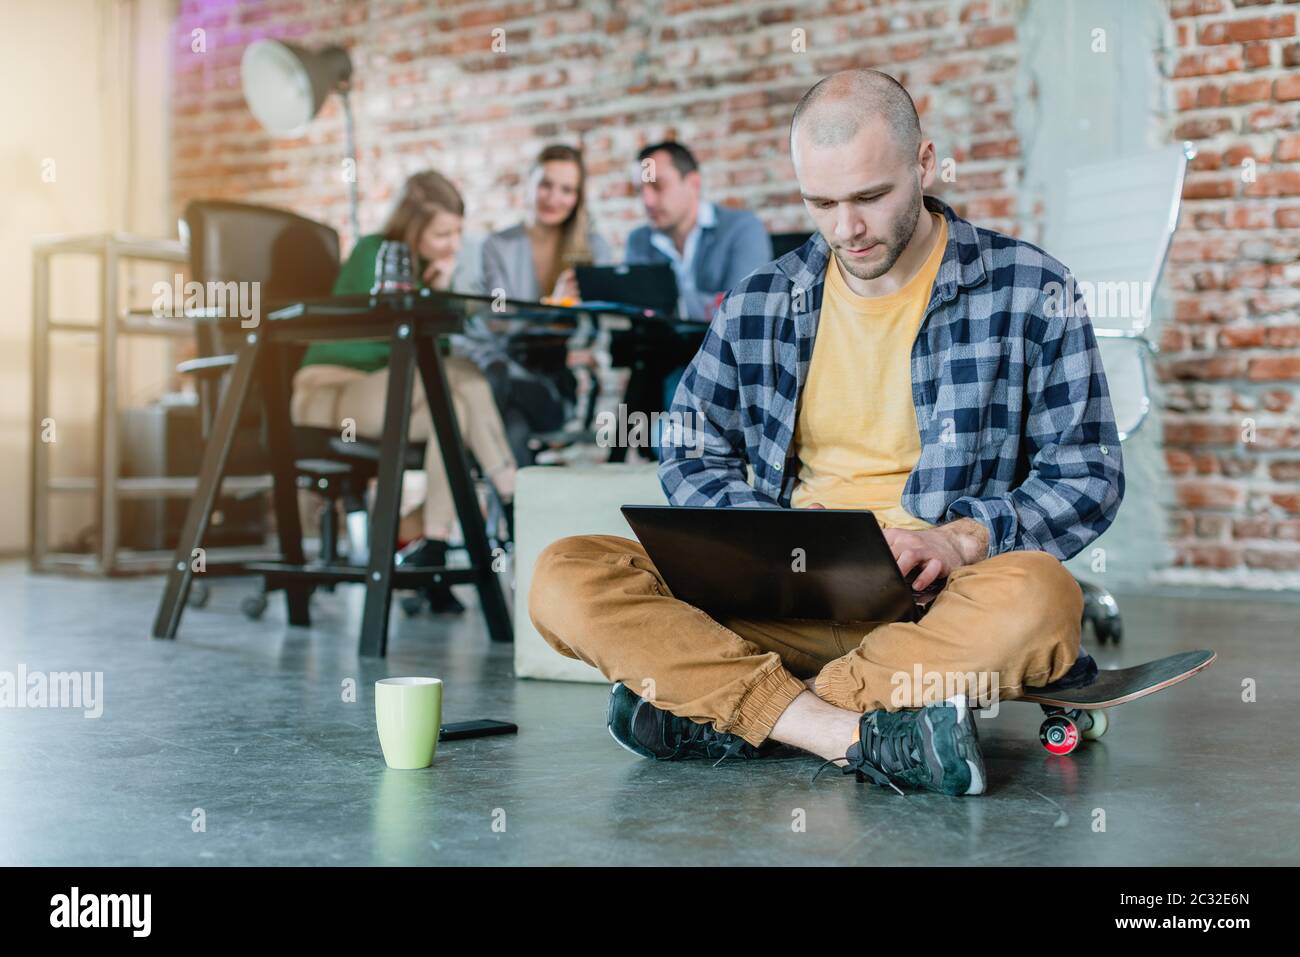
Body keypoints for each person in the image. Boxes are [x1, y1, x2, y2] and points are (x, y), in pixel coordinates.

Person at [528, 70, 1124, 796]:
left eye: (871, 197)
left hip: (939, 605)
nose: (847, 228)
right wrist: (764, 535)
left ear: (924, 164)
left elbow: (1088, 471)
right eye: (822, 203)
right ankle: (850, 733)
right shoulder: (760, 302)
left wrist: (959, 539)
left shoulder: (1030, 286)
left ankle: (735, 707)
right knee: (565, 573)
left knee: (1042, 598)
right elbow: (687, 443)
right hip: (782, 599)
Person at [290, 170, 517, 614]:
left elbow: (434, 350)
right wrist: (433, 292)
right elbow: (389, 336)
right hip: (331, 391)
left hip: (392, 390)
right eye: (441, 234)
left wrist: (437, 285)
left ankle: (431, 545)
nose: (452, 244)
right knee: (457, 373)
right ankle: (512, 499)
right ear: (414, 228)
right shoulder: (376, 251)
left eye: (457, 233)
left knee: (450, 411)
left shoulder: (425, 270)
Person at [621, 141, 772, 460]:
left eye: (657, 187)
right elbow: (640, 313)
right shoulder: (639, 240)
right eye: (640, 190)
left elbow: (742, 309)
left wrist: (670, 298)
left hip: (727, 365)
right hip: (665, 362)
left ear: (693, 184)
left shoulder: (742, 228)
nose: (647, 200)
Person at [478, 144, 615, 465]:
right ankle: (515, 514)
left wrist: (575, 350)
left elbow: (602, 330)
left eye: (566, 190)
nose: (554, 198)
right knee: (513, 427)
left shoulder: (594, 250)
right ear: (529, 184)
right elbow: (498, 322)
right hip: (510, 372)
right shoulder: (499, 246)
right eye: (545, 185)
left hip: (556, 388)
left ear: (579, 197)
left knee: (493, 388)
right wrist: (551, 305)